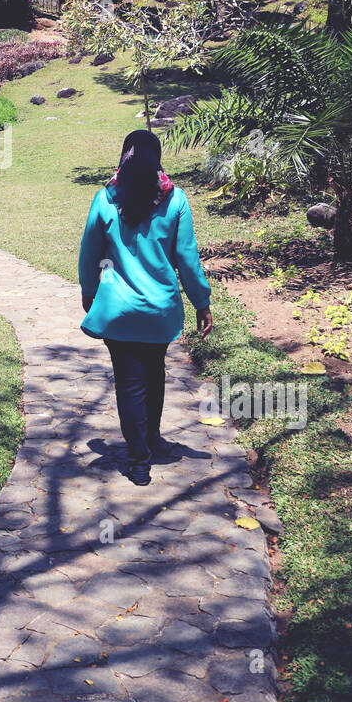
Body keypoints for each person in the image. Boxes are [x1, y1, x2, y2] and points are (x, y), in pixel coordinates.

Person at [79, 129, 213, 486]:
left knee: (129, 383)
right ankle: (152, 439)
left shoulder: (106, 199)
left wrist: (88, 293)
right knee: (154, 373)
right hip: (160, 312)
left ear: (123, 158)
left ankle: (139, 460)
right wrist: (202, 302)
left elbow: (89, 253)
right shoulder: (175, 199)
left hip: (117, 312)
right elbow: (187, 258)